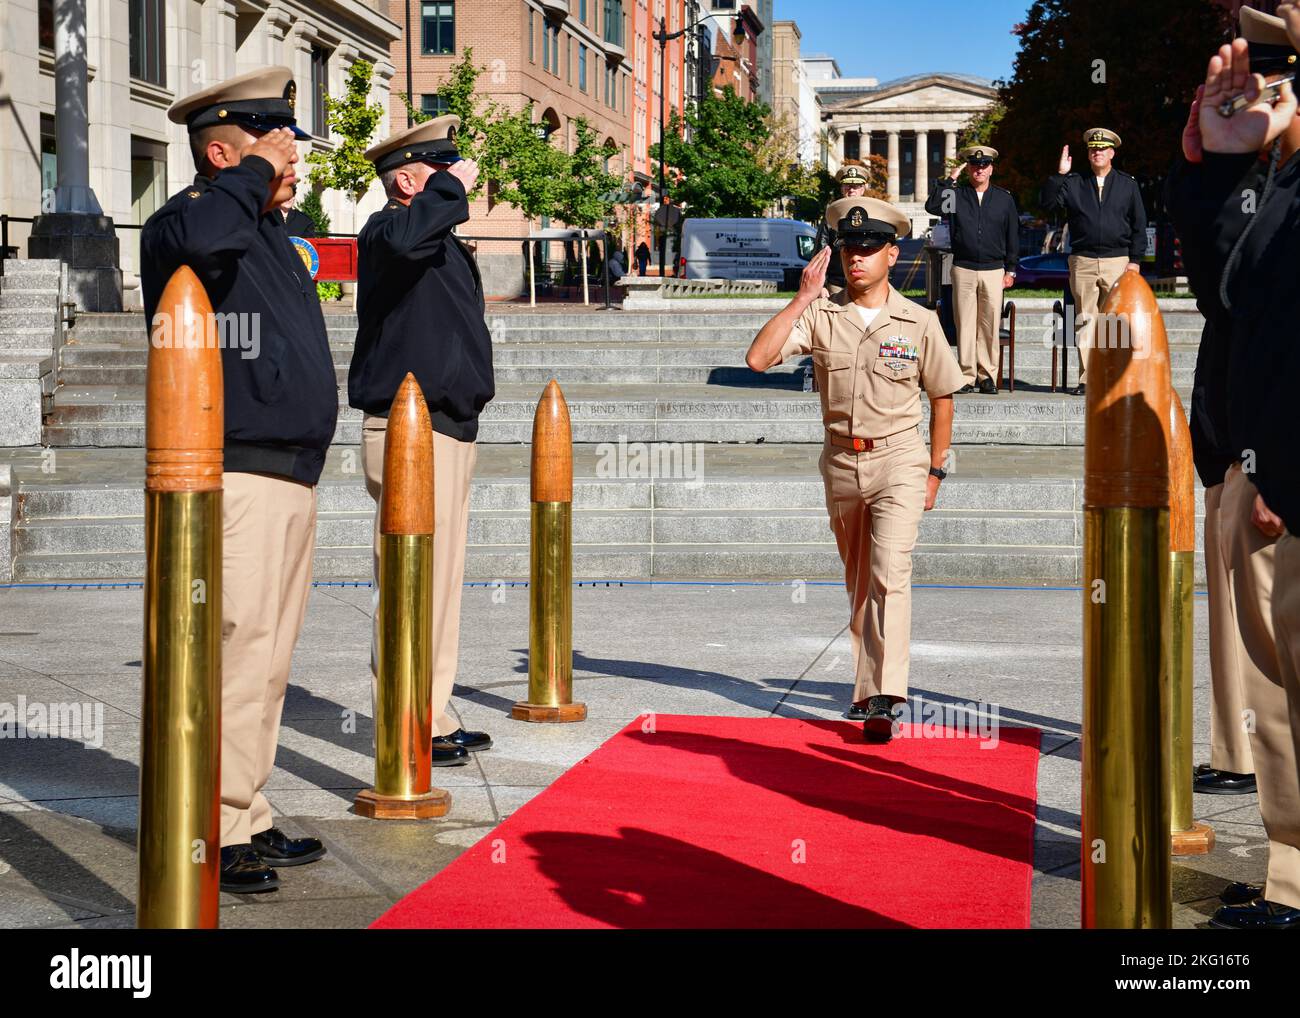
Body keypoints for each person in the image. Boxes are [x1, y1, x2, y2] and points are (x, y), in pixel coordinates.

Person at [141, 67, 337, 894]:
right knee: (235, 650)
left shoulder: (265, 232)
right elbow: (196, 246)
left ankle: (244, 812)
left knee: (267, 661)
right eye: (270, 142)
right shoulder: (187, 217)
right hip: (237, 467)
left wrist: (266, 186)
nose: (287, 156)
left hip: (290, 471)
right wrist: (250, 176)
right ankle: (211, 828)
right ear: (221, 152)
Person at [745, 196, 962, 741]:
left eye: (868, 248)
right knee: (860, 579)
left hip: (900, 459)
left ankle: (886, 695)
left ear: (893, 252)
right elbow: (758, 359)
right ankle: (867, 690)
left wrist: (936, 470)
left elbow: (943, 396)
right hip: (842, 460)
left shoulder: (918, 321)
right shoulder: (822, 314)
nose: (856, 258)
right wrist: (801, 299)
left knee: (892, 572)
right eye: (849, 248)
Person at [1187, 10, 1300, 930]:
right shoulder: (1285, 182)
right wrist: (1224, 168)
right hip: (1266, 479)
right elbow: (1231, 298)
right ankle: (1293, 881)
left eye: (1279, 75)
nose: (1264, 93)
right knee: (1278, 698)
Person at [349, 115, 495, 769]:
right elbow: (407, 242)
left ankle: (430, 713)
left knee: (439, 586)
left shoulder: (430, 234)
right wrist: (442, 197)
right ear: (408, 179)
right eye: (442, 170)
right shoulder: (388, 230)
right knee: (412, 583)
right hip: (409, 431)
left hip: (448, 427)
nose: (459, 179)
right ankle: (406, 720)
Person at [1166, 83, 1265, 800]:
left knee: (1267, 641)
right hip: (1233, 446)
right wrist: (1202, 172)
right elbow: (1216, 285)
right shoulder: (1266, 191)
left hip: (1267, 457)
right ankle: (1237, 752)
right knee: (1233, 624)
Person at [1040, 128, 1147, 396]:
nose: (1097, 152)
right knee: (1085, 320)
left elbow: (1138, 225)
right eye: (1092, 149)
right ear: (1088, 154)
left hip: (1117, 261)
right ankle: (1088, 379)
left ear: (1112, 153)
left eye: (1102, 148)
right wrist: (1060, 175)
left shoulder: (1127, 184)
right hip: (1083, 261)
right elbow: (1048, 203)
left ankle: (1113, 377)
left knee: (1114, 323)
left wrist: (1134, 260)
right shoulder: (1075, 182)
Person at [924, 145, 1019, 394]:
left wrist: (1011, 270)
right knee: (964, 323)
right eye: (974, 166)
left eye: (984, 165)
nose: (979, 169)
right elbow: (932, 206)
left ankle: (987, 375)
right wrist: (949, 180)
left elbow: (1012, 236)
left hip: (994, 269)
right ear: (969, 170)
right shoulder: (956, 195)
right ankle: (966, 374)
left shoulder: (1004, 198)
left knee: (988, 324)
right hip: (963, 267)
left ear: (991, 169)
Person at [816, 160, 870, 295]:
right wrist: (821, 285)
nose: (851, 190)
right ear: (842, 188)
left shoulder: (872, 214)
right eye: (847, 185)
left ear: (863, 189)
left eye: (856, 186)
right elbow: (820, 252)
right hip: (837, 283)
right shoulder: (832, 214)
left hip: (865, 282)